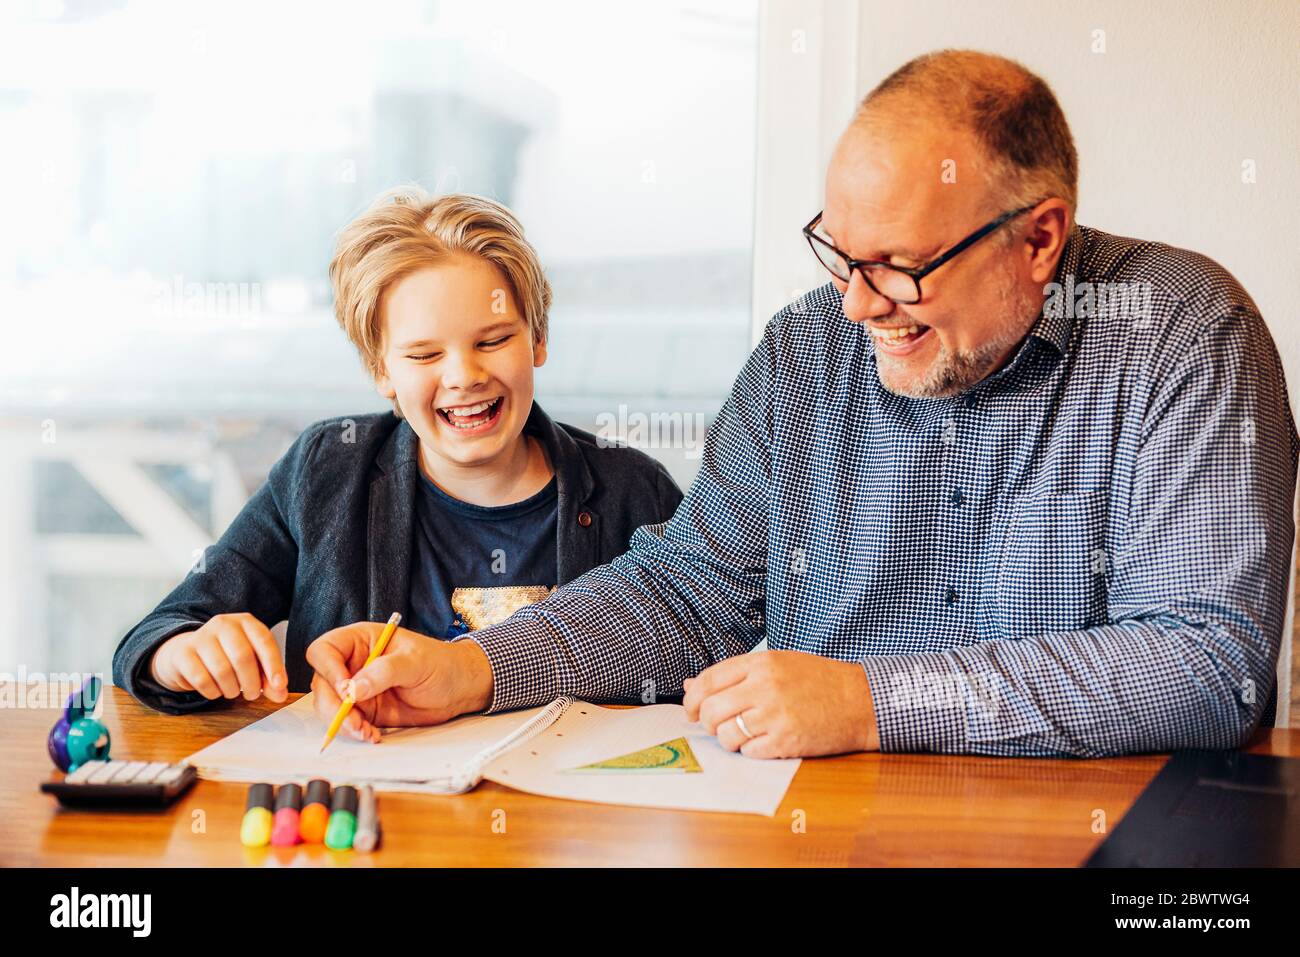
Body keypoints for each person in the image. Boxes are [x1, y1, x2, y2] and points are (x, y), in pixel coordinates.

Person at [307, 50, 1297, 759]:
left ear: (1037, 240)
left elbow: (1207, 665)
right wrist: (470, 670)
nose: (859, 305)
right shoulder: (804, 350)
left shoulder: (1179, 330)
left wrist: (873, 702)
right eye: (840, 253)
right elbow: (687, 591)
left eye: (900, 268)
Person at [112, 188, 683, 723]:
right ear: (381, 370)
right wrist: (182, 653)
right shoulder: (325, 472)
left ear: (537, 338)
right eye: (424, 353)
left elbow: (695, 652)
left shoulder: (634, 490)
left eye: (492, 340)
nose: (464, 376)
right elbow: (160, 632)